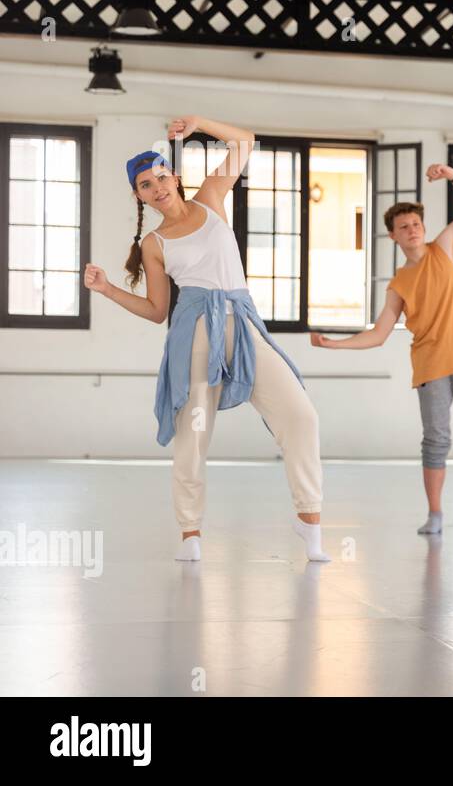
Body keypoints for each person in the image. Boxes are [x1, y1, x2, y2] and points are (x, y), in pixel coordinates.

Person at [83, 116, 330, 563]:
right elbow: (158, 311)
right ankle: (190, 532)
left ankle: (308, 519)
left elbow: (246, 140)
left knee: (301, 416)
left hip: (243, 320)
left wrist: (198, 123)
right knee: (193, 435)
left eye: (160, 176)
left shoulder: (211, 197)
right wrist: (107, 290)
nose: (156, 186)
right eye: (144, 185)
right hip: (194, 331)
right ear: (138, 196)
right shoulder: (154, 244)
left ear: (174, 177)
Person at [311, 164, 453, 536]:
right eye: (403, 227)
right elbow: (378, 334)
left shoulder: (444, 248)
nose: (411, 230)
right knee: (437, 440)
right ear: (393, 236)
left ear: (423, 228)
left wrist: (452, 175)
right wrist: (334, 344)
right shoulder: (399, 283)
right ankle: (435, 515)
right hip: (432, 367)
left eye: (415, 224)